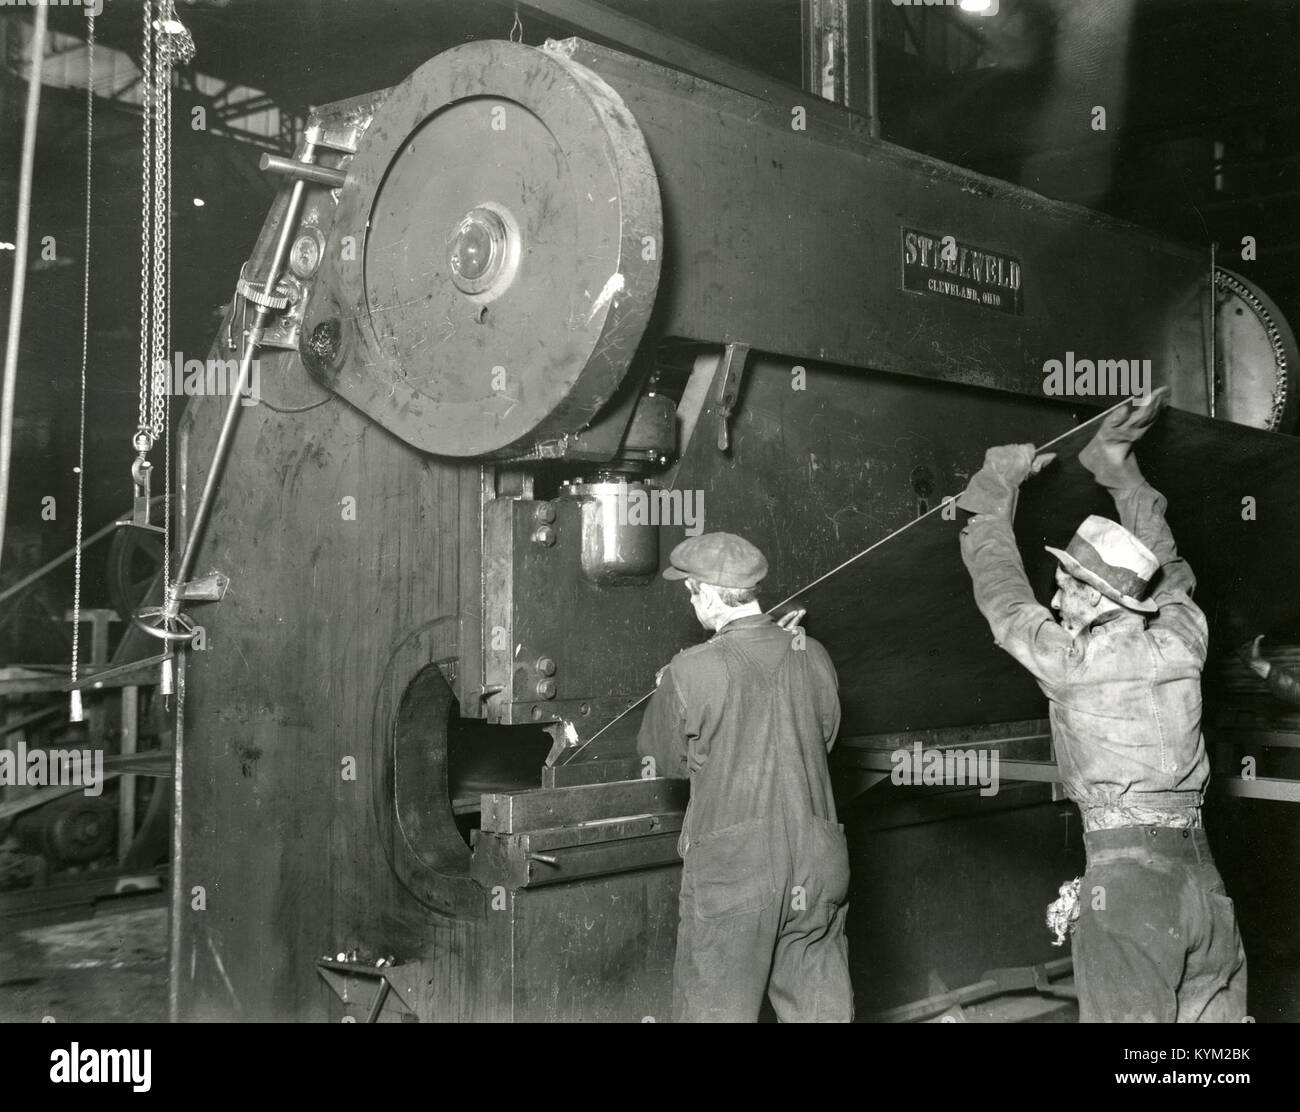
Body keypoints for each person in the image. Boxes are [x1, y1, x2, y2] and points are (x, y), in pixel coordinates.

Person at [956, 388, 1246, 1022]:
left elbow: (1004, 599)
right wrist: (1121, 469)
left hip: (1131, 890)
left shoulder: (1076, 666)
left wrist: (992, 493)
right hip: (1204, 887)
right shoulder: (1183, 638)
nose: (1057, 602)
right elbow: (1169, 571)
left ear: (1098, 598)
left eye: (1066, 588)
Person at [636, 531, 852, 1022]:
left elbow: (663, 759)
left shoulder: (689, 669)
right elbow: (825, 740)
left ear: (707, 593)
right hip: (817, 867)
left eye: (691, 592)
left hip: (736, 874)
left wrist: (668, 691)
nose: (693, 604)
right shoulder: (813, 654)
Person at [1242, 635, 1300, 705]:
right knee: (1255, 663)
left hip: (1285, 685)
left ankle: (1247, 647)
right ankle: (1251, 646)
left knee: (1254, 663)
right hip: (1287, 683)